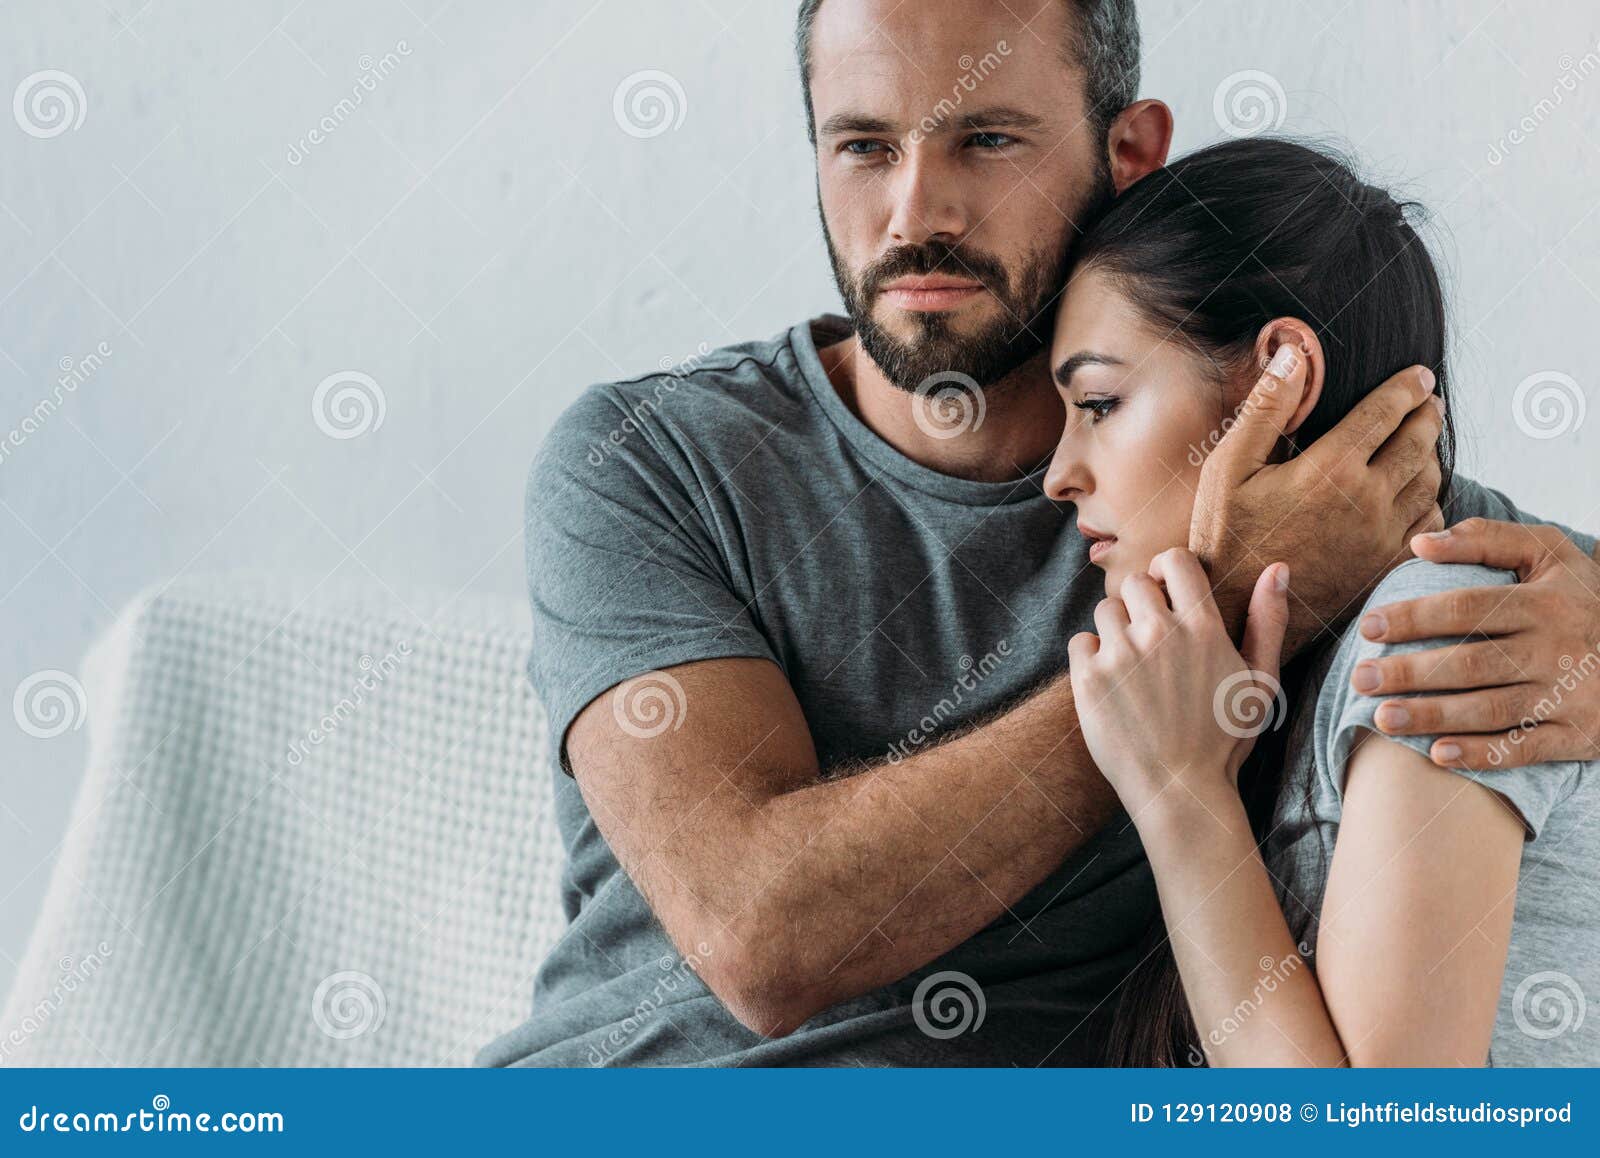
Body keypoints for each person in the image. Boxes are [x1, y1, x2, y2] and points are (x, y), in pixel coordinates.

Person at [475, 0, 1600, 1067]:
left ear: (1129, 153)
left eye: (986, 139)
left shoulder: (1326, 512)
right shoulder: (649, 461)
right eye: (862, 147)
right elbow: (762, 938)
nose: (915, 212)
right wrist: (1215, 611)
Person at [1056, 137, 1599, 1066]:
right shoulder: (1308, 665)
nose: (1060, 476)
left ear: (1281, 376)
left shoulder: (1440, 632)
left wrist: (1182, 798)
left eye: (1099, 402)